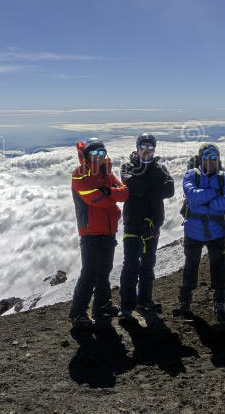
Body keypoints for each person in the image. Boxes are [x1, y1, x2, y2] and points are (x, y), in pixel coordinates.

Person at [69, 137, 129, 329]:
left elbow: (125, 193)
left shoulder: (106, 173)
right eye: (94, 153)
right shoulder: (79, 175)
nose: (99, 157)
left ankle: (102, 305)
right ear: (86, 155)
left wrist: (106, 191)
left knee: (104, 271)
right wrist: (110, 193)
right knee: (89, 274)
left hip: (108, 231)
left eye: (102, 153)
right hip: (90, 232)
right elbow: (97, 200)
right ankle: (77, 313)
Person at [173, 143, 225, 322]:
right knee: (191, 266)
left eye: (213, 158)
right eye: (206, 158)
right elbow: (193, 196)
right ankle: (185, 301)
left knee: (219, 267)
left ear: (218, 159)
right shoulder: (191, 174)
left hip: (214, 231)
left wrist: (206, 202)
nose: (210, 162)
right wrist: (216, 193)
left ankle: (219, 302)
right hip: (194, 231)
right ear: (201, 159)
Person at [119, 133, 175, 322]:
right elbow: (131, 184)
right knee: (131, 265)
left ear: (154, 149)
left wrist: (143, 190)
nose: (147, 150)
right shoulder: (128, 166)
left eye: (150, 147)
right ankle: (126, 305)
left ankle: (145, 301)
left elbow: (170, 189)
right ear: (137, 147)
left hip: (152, 225)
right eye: (143, 146)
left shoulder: (160, 168)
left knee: (148, 265)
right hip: (132, 224)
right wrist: (153, 189)